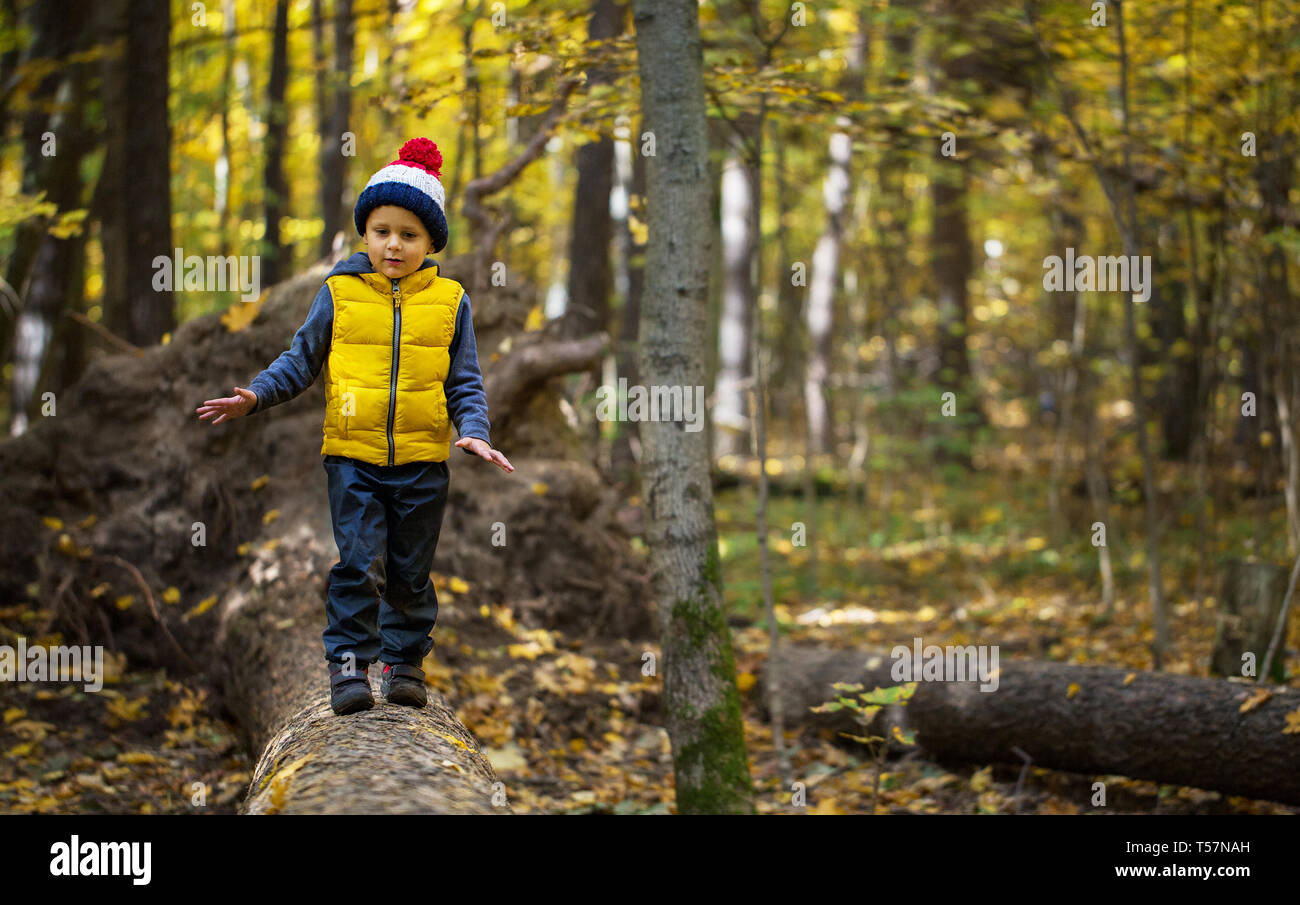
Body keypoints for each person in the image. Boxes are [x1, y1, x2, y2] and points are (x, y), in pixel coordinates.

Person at [196, 137, 513, 715]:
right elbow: (300, 360)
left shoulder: (450, 302)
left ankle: (405, 664)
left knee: (410, 573)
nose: (394, 244)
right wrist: (257, 395)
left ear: (430, 242)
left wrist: (476, 431)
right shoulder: (339, 293)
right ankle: (349, 669)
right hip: (352, 458)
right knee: (358, 565)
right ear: (364, 233)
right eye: (383, 230)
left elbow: (464, 380)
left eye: (410, 234)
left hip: (422, 462)